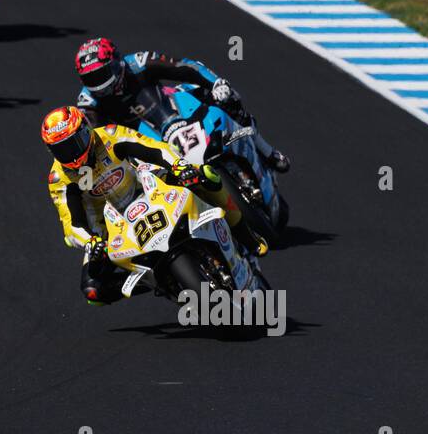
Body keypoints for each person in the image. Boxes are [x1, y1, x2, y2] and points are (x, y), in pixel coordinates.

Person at [40, 107, 263, 305]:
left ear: (86, 131)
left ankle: (247, 237)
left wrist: (179, 165)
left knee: (206, 177)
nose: (71, 154)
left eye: (73, 144)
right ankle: (158, 281)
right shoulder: (59, 178)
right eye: (62, 150)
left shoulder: (109, 136)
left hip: (147, 187)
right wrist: (90, 241)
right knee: (93, 290)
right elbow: (71, 224)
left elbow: (154, 148)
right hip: (107, 226)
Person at [73, 37, 290, 172]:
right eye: (91, 79)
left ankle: (267, 152)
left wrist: (216, 83)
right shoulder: (88, 103)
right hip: (142, 143)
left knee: (229, 97)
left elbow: (186, 67)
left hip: (174, 110)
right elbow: (95, 138)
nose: (99, 85)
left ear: (116, 64)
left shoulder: (137, 62)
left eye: (102, 75)